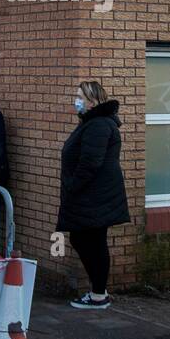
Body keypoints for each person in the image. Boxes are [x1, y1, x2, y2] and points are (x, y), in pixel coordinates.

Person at [56, 80, 129, 310]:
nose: (75, 100)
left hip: (95, 195)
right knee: (85, 239)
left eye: (79, 96)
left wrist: (73, 185)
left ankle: (99, 294)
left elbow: (90, 163)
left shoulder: (98, 125)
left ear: (92, 101)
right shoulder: (91, 122)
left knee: (92, 241)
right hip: (93, 195)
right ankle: (98, 292)